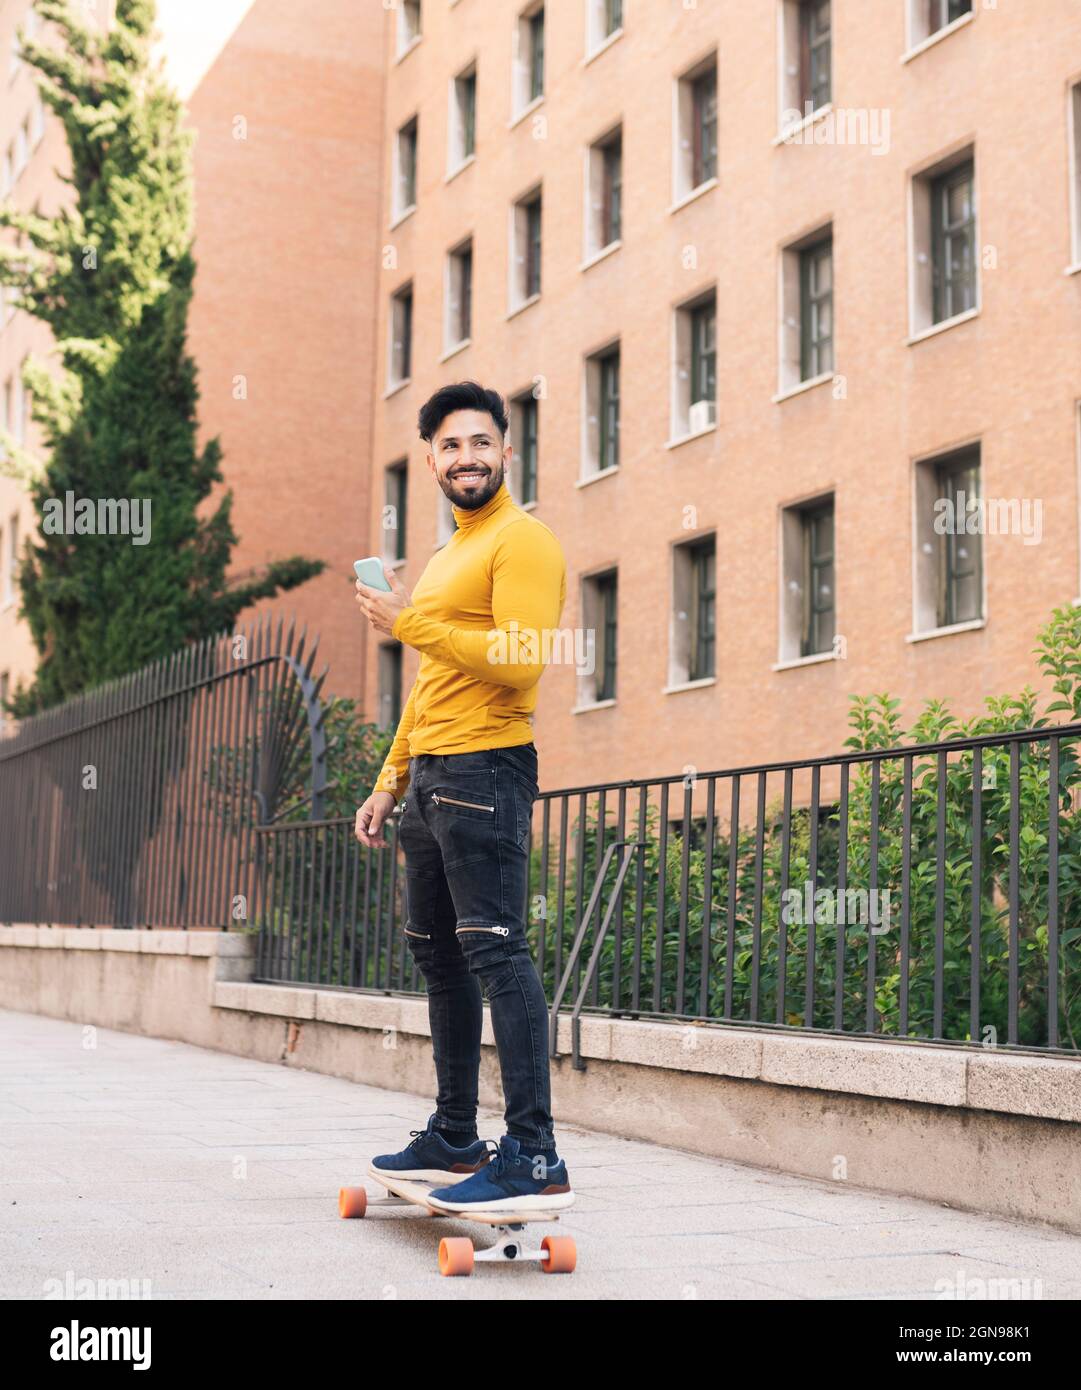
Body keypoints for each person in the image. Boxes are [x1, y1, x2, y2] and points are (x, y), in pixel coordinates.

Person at [352, 381, 573, 1214]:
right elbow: (434, 681)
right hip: (434, 778)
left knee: (497, 953)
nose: (466, 457)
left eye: (480, 442)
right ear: (433, 461)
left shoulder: (525, 541)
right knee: (441, 960)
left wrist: (408, 621)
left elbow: (518, 658)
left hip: (488, 771)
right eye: (449, 446)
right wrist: (389, 779)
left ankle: (532, 1152)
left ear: (506, 450)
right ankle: (454, 1133)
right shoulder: (448, 557)